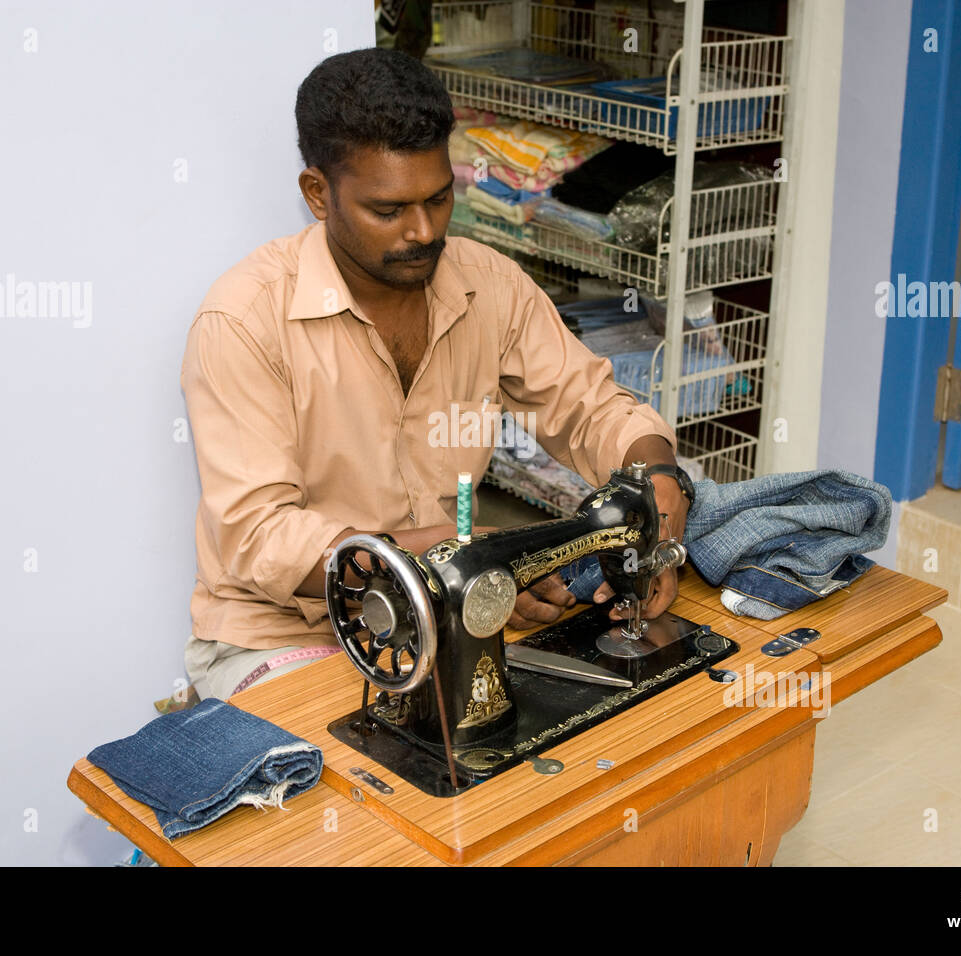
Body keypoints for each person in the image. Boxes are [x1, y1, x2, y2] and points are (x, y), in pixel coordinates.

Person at [180, 48, 692, 702]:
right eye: (388, 211)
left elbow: (590, 408)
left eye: (439, 198)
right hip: (283, 633)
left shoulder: (489, 286)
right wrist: (455, 554)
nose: (422, 232)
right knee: (371, 786)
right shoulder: (244, 322)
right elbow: (260, 536)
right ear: (318, 194)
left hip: (447, 605)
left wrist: (656, 478)